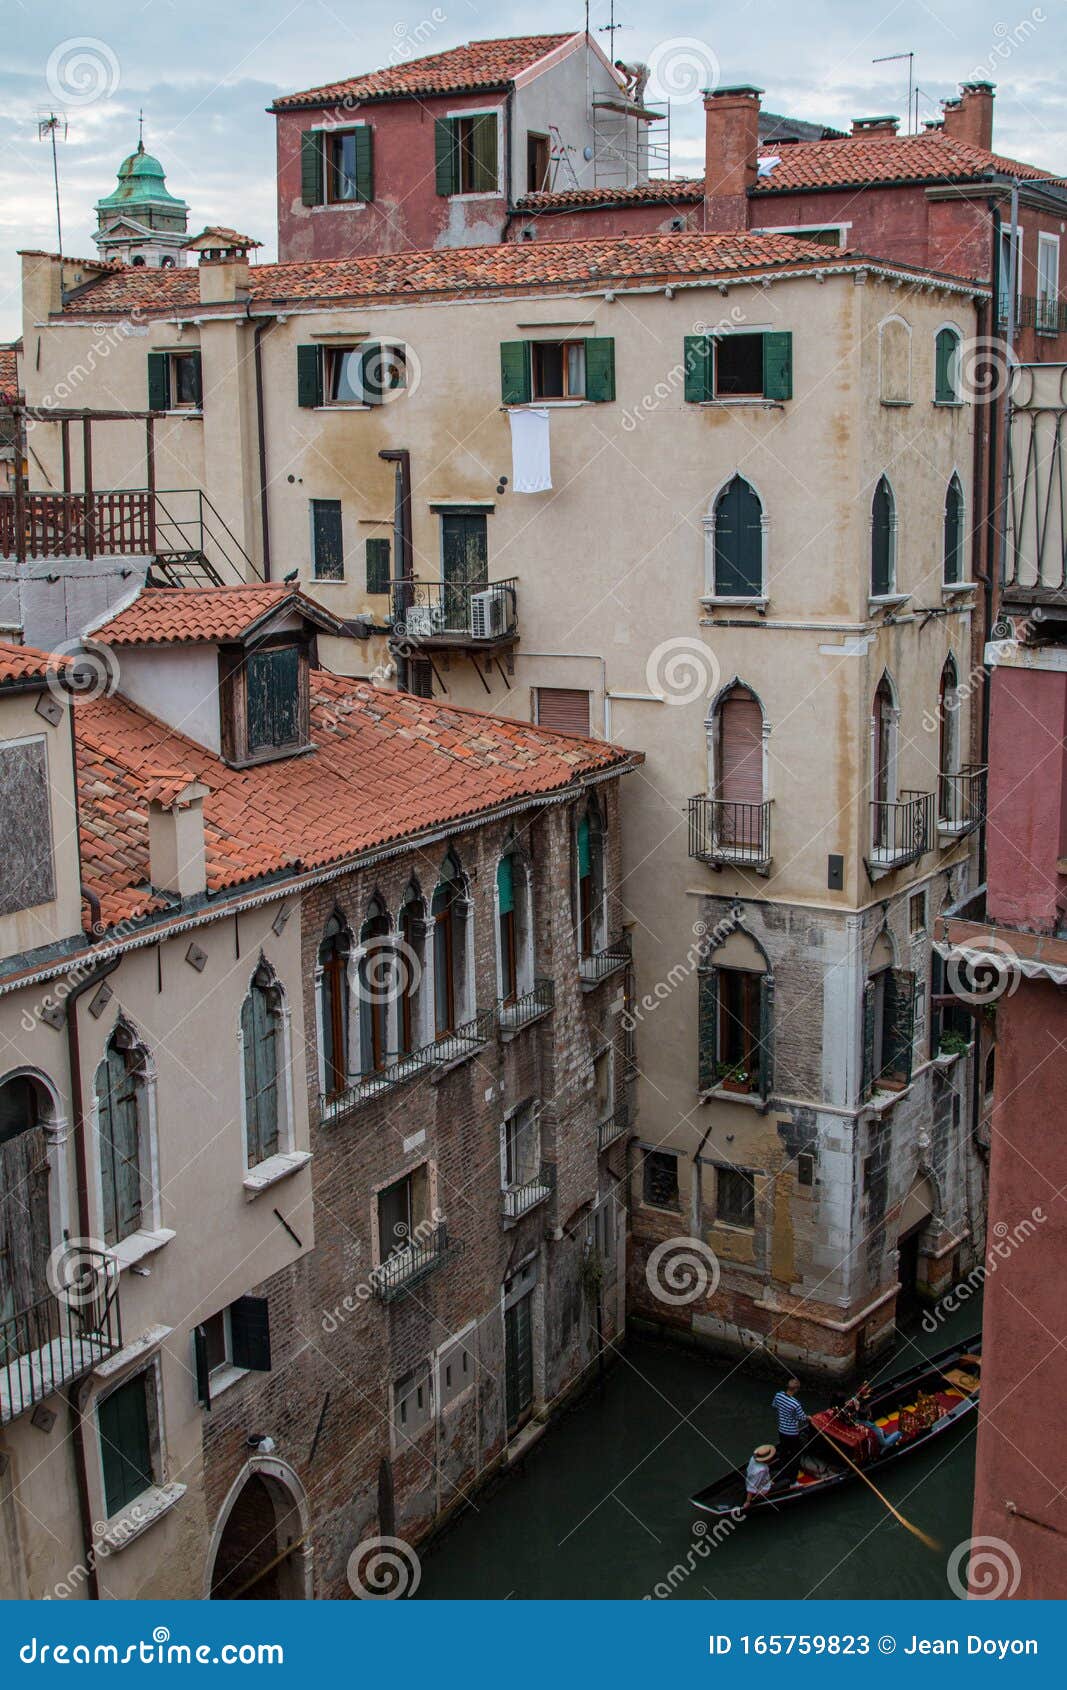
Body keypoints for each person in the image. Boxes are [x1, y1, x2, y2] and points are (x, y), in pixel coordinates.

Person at [771, 1377, 809, 1478]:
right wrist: (808, 1417)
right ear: (796, 1389)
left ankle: (782, 1470)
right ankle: (793, 1476)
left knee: (783, 1451)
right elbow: (802, 1417)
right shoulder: (796, 1404)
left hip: (781, 1430)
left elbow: (774, 1406)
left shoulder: (778, 1395)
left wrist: (787, 1413)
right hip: (792, 1432)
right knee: (795, 1454)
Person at [744, 1443, 775, 1509]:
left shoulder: (753, 1458)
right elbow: (751, 1487)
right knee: (786, 1481)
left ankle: (770, 1481)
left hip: (753, 1479)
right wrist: (748, 1502)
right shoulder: (761, 1470)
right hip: (761, 1488)